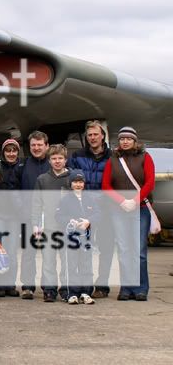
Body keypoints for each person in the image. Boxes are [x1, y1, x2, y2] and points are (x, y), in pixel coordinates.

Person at [101, 126, 154, 301]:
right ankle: (126, 288)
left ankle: (141, 289)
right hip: (119, 209)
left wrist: (135, 201)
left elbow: (149, 183)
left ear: (135, 141)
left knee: (139, 251)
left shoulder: (145, 157)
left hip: (141, 210)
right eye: (122, 139)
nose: (125, 141)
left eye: (128, 139)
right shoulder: (113, 160)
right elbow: (106, 186)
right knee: (123, 250)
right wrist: (122, 201)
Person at [68, 120, 112, 298]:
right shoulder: (77, 156)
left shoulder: (113, 157)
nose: (93, 138)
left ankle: (102, 285)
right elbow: (71, 180)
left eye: (96, 134)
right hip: (84, 209)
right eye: (90, 135)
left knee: (106, 247)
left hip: (106, 208)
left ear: (102, 136)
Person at [33, 144, 72, 302]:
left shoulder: (72, 178)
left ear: (65, 160)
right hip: (48, 228)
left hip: (67, 228)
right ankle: (49, 290)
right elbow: (36, 204)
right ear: (49, 161)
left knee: (67, 261)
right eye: (54, 158)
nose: (57, 161)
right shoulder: (42, 179)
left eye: (60, 158)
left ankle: (66, 288)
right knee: (48, 261)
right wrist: (36, 224)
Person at [55, 170, 99, 305]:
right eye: (75, 182)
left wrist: (88, 221)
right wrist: (71, 221)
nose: (78, 185)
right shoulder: (65, 200)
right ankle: (70, 293)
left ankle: (85, 292)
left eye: (81, 182)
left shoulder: (90, 199)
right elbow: (59, 216)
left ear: (84, 184)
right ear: (71, 183)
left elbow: (98, 214)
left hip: (86, 238)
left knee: (86, 264)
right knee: (70, 265)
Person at [18, 130, 50, 300]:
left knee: (47, 252)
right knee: (28, 252)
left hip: (48, 216)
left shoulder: (52, 164)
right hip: (28, 216)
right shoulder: (23, 165)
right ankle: (27, 286)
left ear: (47, 146)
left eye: (40, 145)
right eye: (33, 145)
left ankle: (47, 286)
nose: (36, 148)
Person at [0, 138, 23, 297]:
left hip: (14, 216)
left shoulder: (21, 168)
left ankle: (10, 284)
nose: (11, 154)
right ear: (3, 153)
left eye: (14, 151)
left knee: (11, 249)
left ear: (17, 152)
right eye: (8, 151)